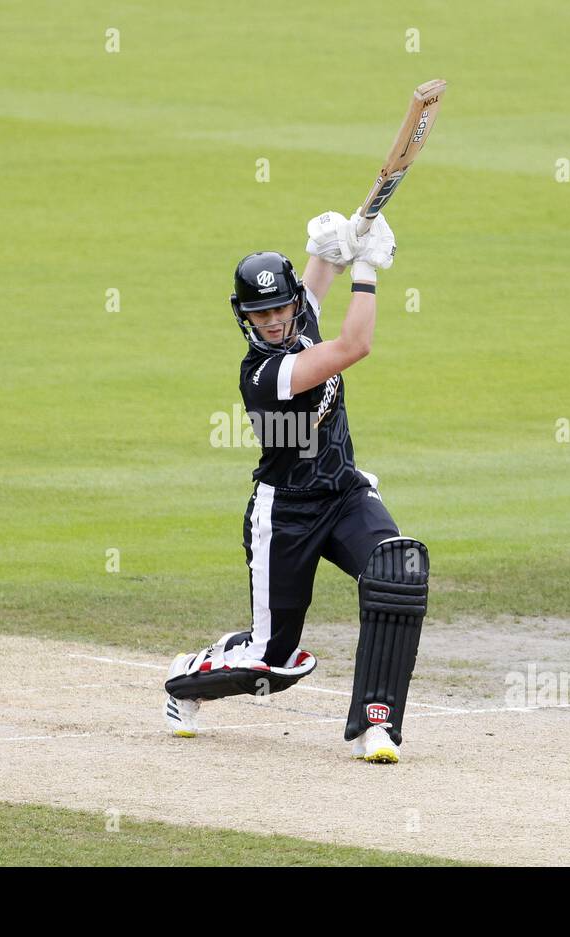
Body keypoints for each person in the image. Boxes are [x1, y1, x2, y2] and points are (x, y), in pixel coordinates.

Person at [163, 210, 430, 763]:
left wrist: (338, 239)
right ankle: (187, 678)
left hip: (344, 493)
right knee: (272, 662)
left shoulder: (298, 314)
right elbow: (354, 345)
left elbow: (317, 273)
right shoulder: (265, 375)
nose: (274, 321)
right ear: (244, 317)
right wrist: (367, 267)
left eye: (281, 308)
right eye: (260, 314)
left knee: (396, 573)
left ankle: (375, 724)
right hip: (286, 514)